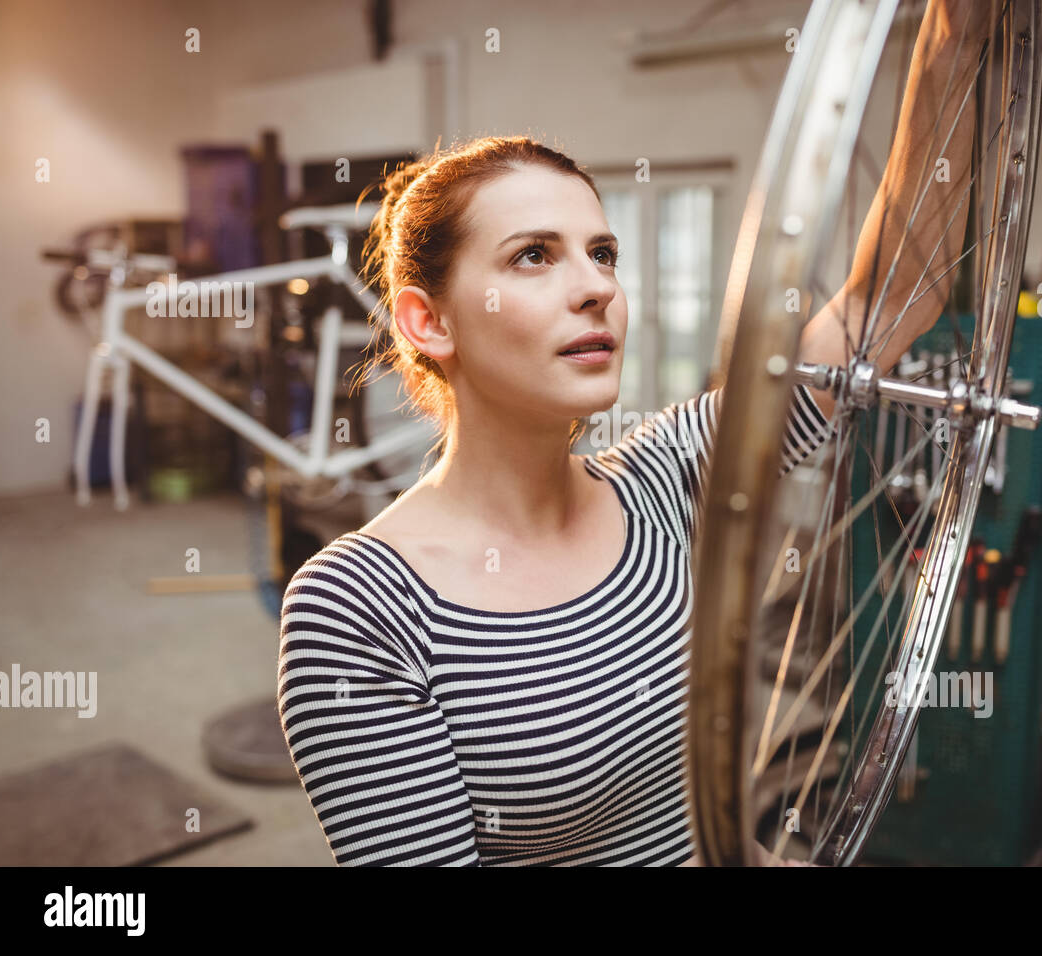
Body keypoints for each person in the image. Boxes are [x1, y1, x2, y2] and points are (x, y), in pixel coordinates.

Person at [276, 0, 989, 866]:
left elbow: (890, 299)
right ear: (428, 322)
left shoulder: (666, 476)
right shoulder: (358, 609)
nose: (596, 288)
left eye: (602, 253)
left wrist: (958, 34)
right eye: (533, 256)